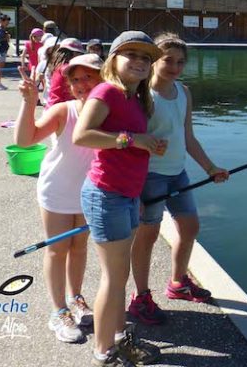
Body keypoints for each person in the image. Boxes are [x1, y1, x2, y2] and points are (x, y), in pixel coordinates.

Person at [73, 31, 165, 367]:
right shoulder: (107, 91)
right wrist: (133, 140)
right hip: (105, 195)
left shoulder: (136, 98)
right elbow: (82, 135)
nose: (140, 62)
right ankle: (103, 352)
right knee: (113, 277)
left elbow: (130, 142)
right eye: (132, 55)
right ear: (114, 59)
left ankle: (114, 338)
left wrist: (145, 145)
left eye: (146, 58)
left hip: (126, 196)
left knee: (119, 275)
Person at [128, 33, 228, 325]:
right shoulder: (140, 94)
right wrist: (134, 192)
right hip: (150, 177)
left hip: (178, 173)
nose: (174, 66)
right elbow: (130, 141)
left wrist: (210, 168)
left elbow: (188, 137)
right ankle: (141, 296)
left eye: (180, 62)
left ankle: (178, 283)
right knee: (146, 236)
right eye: (168, 59)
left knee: (190, 227)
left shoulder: (184, 92)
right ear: (154, 59)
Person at [14, 54, 104, 343]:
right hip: (57, 190)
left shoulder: (111, 112)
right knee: (57, 249)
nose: (81, 84)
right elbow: (25, 140)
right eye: (75, 79)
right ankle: (58, 312)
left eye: (88, 76)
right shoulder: (64, 111)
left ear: (104, 78)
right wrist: (30, 102)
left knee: (79, 247)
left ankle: (76, 297)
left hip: (90, 192)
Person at [45, 38, 86, 109]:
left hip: (53, 106)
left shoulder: (58, 66)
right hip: (60, 109)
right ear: (73, 54)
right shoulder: (66, 68)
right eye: (79, 54)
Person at [0, 14, 12, 91]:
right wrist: (5, 37)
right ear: (2, 21)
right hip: (0, 50)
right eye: (6, 22)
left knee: (1, 67)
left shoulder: (2, 29)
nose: (7, 24)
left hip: (2, 50)